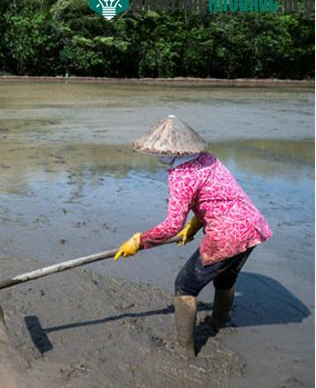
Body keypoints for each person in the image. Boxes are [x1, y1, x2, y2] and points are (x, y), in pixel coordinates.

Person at [114, 115, 272, 358]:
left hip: (228, 235)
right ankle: (218, 322)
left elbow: (170, 226)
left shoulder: (181, 176)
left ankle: (184, 350)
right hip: (252, 226)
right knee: (226, 278)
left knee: (184, 286)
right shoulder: (208, 159)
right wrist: (195, 225)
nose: (158, 157)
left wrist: (139, 241)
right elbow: (218, 197)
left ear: (168, 152)